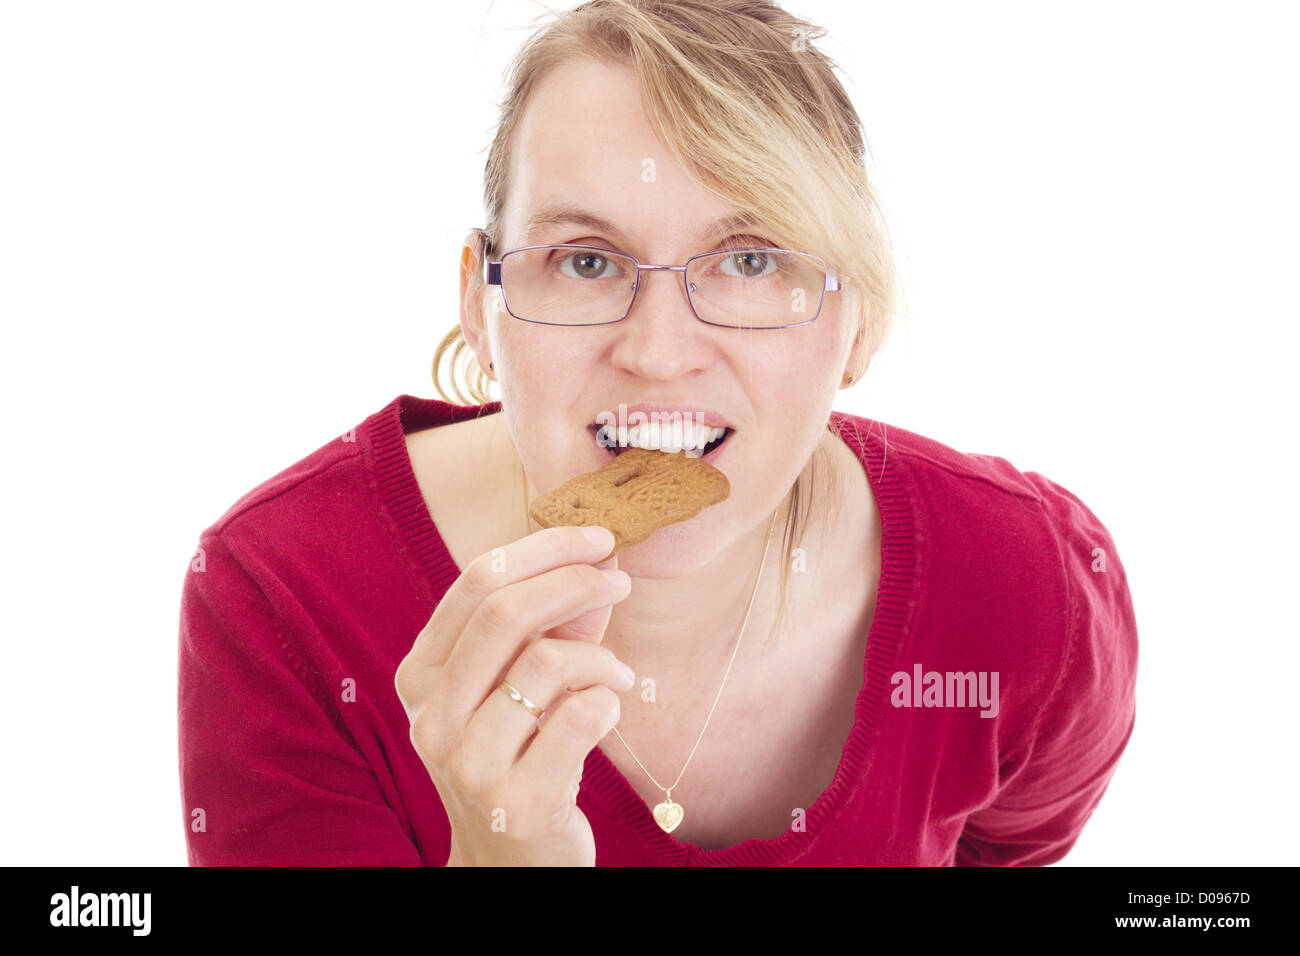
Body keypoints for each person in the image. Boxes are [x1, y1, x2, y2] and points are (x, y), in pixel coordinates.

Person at [178, 0, 1138, 866]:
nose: (659, 351)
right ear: (479, 302)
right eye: (587, 260)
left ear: (860, 320)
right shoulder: (280, 597)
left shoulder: (1030, 581)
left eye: (750, 259)